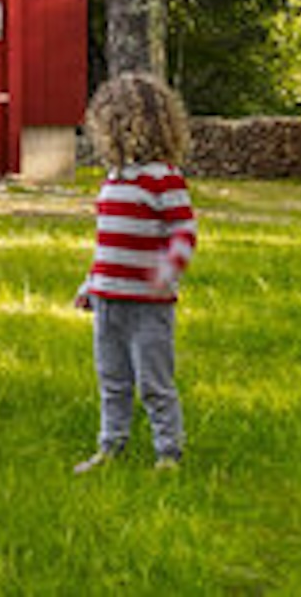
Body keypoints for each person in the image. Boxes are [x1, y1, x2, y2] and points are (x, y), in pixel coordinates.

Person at [70, 71, 198, 474]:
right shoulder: (113, 180)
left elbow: (184, 231)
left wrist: (169, 268)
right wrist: (90, 283)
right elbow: (106, 245)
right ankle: (111, 447)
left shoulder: (164, 179)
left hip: (148, 305)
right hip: (108, 302)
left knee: (154, 383)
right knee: (112, 381)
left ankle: (168, 453)